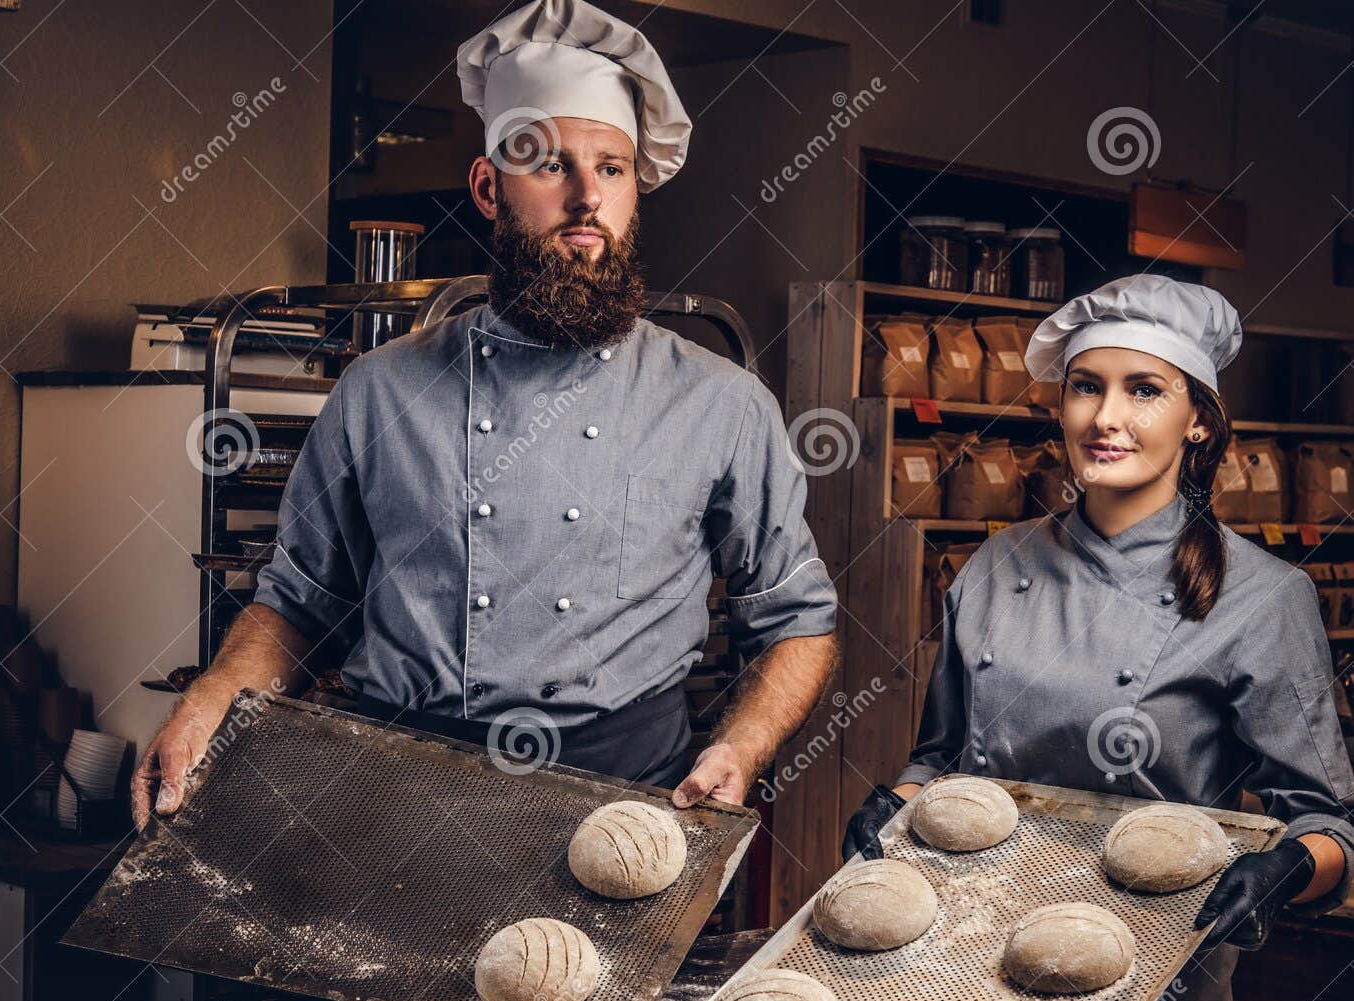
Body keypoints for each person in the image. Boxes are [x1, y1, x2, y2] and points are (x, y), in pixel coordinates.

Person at [131, 0, 839, 829]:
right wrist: (210, 699)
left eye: (612, 169)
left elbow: (798, 621)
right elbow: (298, 602)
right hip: (396, 796)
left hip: (623, 807)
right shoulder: (378, 393)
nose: (586, 200)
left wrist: (742, 747)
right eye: (550, 166)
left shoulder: (720, 403)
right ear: (486, 187)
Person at [842, 274, 1354, 1001]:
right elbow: (942, 758)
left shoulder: (1262, 596)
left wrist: (1283, 871)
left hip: (1149, 973)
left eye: (1144, 390)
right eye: (1086, 387)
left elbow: (1328, 824)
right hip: (963, 948)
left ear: (1198, 424)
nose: (1106, 418)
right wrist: (896, 806)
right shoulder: (992, 567)